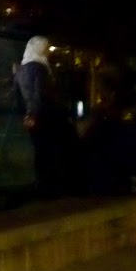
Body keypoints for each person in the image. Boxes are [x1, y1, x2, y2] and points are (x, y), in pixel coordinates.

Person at [15, 35, 78, 197]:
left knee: (40, 151)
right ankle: (54, 186)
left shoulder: (22, 68)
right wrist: (35, 113)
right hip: (45, 115)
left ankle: (43, 185)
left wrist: (29, 114)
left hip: (33, 115)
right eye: (46, 48)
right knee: (53, 150)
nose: (49, 52)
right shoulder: (39, 67)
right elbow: (39, 94)